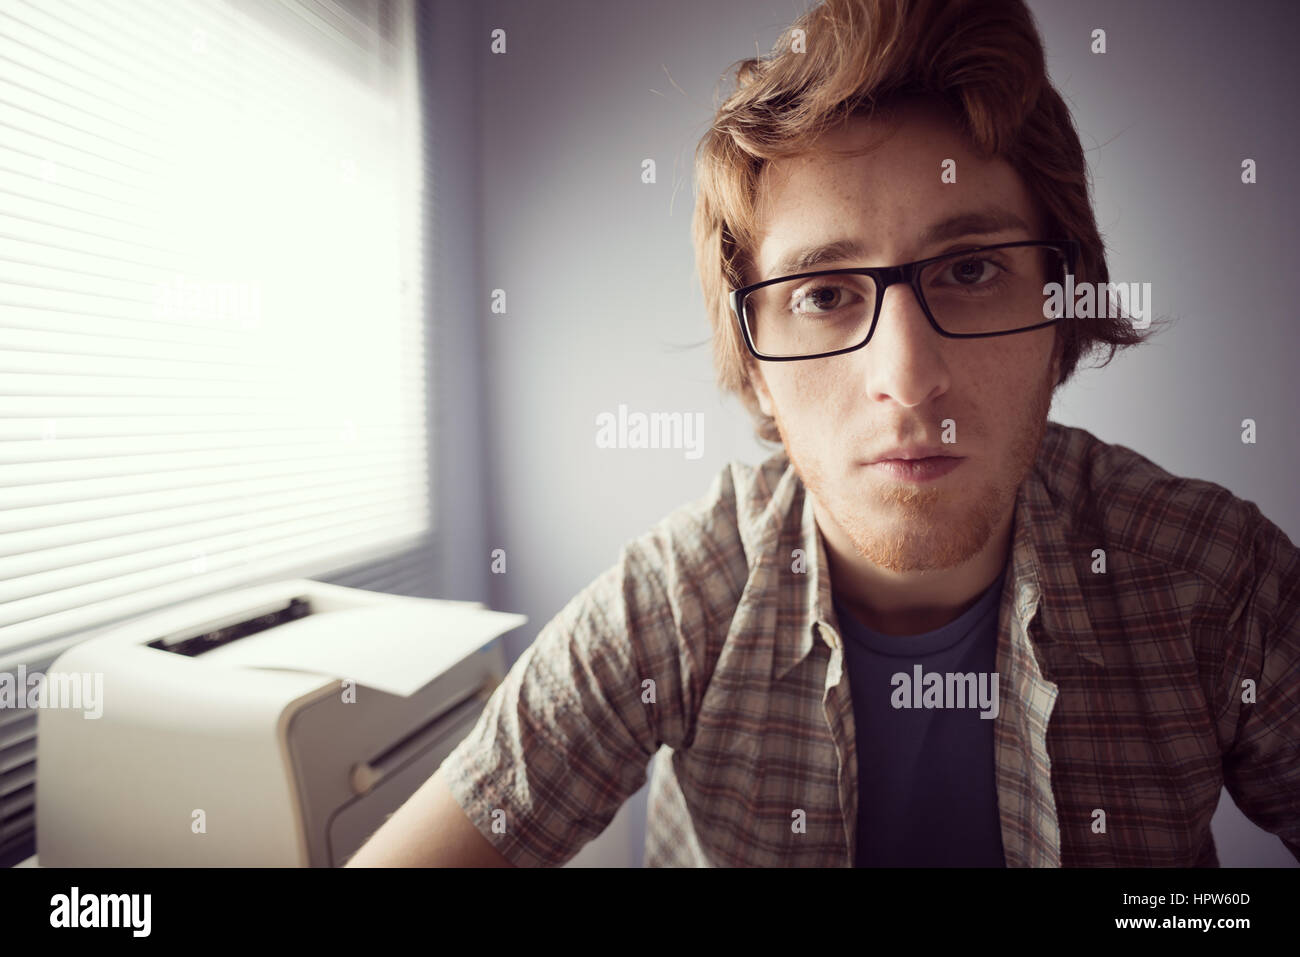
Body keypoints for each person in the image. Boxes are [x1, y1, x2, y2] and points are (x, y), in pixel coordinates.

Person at [346, 0, 1299, 867]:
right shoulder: (679, 605)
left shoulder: (1214, 580)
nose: (908, 378)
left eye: (970, 270)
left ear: (1062, 303)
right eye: (825, 294)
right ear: (754, 353)